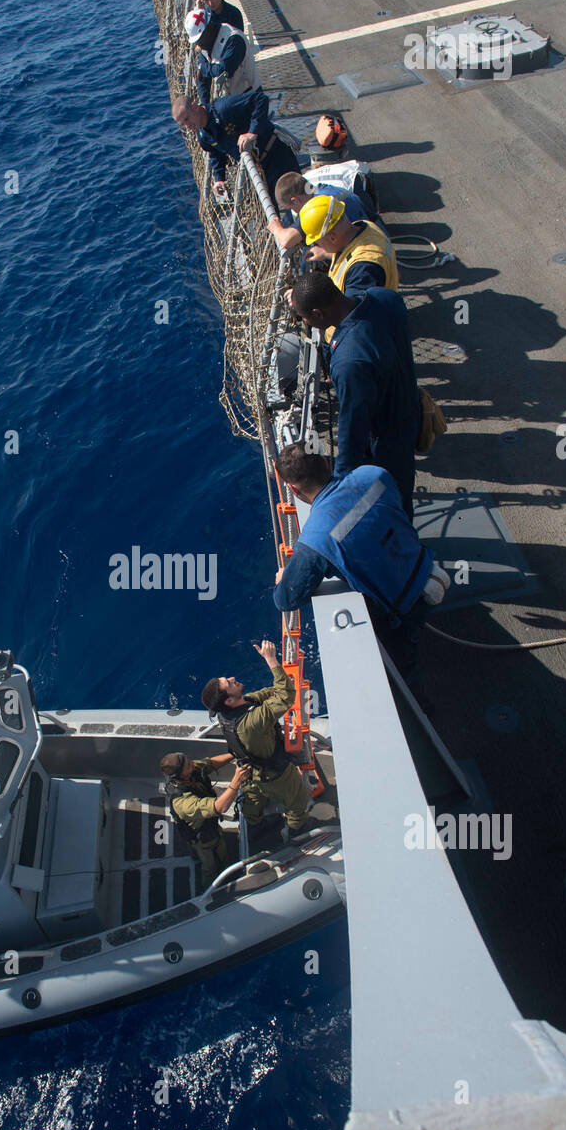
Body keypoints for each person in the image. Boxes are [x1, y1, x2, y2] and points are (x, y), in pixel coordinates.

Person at [272, 446, 449, 681]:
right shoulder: (373, 474)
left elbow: (285, 599)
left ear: (293, 490)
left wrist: (284, 578)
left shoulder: (314, 540)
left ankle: (422, 706)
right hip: (427, 568)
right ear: (325, 463)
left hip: (404, 610)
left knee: (405, 665)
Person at [288, 271, 421, 518]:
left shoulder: (349, 361)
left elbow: (354, 423)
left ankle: (400, 549)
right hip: (410, 407)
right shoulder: (385, 298)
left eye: (306, 318)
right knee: (402, 492)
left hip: (386, 437)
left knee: (390, 504)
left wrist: (341, 481)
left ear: (318, 314)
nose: (307, 323)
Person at [201, 641, 312, 839]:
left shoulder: (229, 712)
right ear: (228, 700)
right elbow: (285, 696)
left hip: (249, 770)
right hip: (275, 774)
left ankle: (255, 828)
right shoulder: (251, 723)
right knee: (297, 802)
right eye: (229, 683)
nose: (233, 678)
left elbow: (267, 694)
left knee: (252, 805)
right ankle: (298, 832)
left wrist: (280, 685)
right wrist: (271, 660)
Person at [172, 93, 299, 198]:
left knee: (297, 194)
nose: (187, 126)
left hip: (275, 155)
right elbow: (215, 152)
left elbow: (260, 99)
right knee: (272, 211)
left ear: (194, 106)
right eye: (183, 124)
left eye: (187, 119)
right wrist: (219, 178)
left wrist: (252, 132)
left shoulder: (224, 108)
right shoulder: (203, 136)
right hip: (257, 170)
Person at [160, 751, 248, 888]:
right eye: (189, 764)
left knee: (203, 853)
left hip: (205, 825)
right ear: (181, 775)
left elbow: (210, 763)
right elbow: (219, 807)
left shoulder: (188, 770)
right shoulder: (183, 803)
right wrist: (236, 782)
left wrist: (234, 754)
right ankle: (210, 892)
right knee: (211, 866)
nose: (193, 764)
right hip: (203, 835)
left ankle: (196, 856)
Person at [268, 171, 377, 258]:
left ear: (295, 200)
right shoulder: (321, 189)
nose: (295, 212)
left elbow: (287, 240)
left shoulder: (317, 206)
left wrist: (275, 227)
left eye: (291, 208)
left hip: (363, 247)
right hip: (370, 229)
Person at [184, 6, 258, 108]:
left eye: (200, 38)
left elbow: (224, 70)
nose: (198, 43)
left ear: (209, 28)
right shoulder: (205, 46)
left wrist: (205, 68)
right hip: (229, 102)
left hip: (250, 97)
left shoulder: (234, 39)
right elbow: (202, 78)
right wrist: (205, 106)